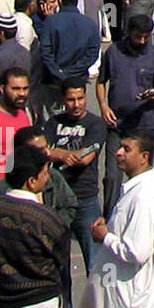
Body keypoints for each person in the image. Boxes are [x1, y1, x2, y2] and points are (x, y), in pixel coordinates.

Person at [78, 131, 154, 308]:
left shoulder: (144, 196)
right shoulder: (140, 188)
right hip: (123, 293)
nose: (118, 153)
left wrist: (106, 237)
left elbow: (137, 251)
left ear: (144, 156)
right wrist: (110, 227)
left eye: (127, 149)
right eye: (119, 147)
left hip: (132, 299)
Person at [0, 144, 67, 308]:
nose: (48, 177)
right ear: (31, 181)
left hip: (3, 299)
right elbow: (61, 258)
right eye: (45, 173)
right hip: (41, 300)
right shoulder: (47, 219)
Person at [96, 14, 154, 216]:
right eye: (138, 37)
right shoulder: (113, 52)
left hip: (143, 125)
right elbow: (101, 82)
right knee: (112, 176)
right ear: (129, 33)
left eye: (146, 37)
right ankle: (110, 217)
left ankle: (139, 216)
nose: (142, 41)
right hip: (117, 125)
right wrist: (103, 106)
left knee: (141, 177)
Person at [43, 79, 107, 272]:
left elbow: (85, 158)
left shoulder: (96, 124)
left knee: (95, 263)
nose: (76, 104)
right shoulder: (54, 123)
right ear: (63, 100)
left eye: (80, 98)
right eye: (71, 99)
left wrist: (54, 153)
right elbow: (40, 150)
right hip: (57, 200)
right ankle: (64, 303)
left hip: (85, 200)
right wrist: (62, 155)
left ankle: (96, 302)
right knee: (57, 265)